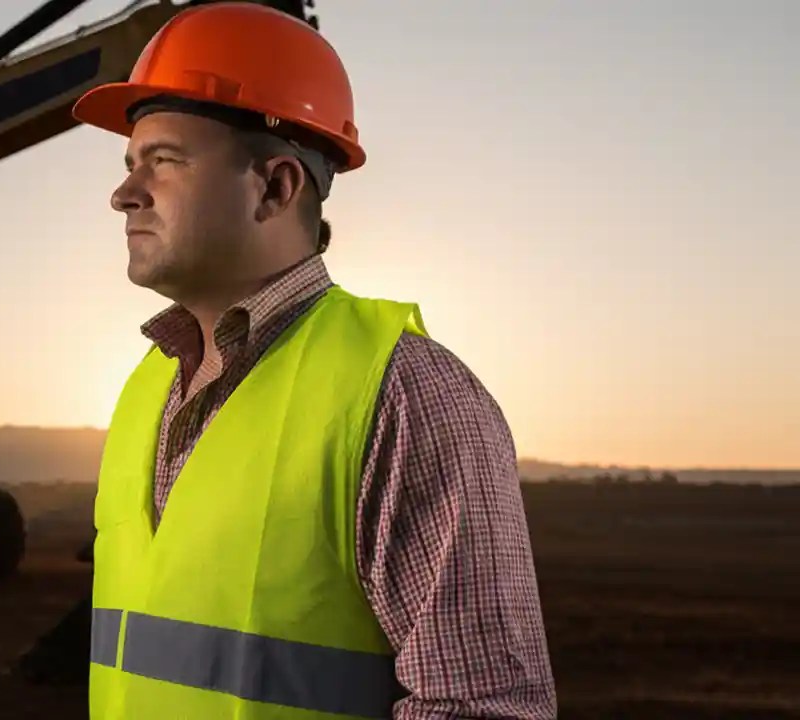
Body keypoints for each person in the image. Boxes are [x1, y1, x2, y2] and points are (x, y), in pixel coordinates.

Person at [70, 3, 556, 718]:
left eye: (164, 162)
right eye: (129, 164)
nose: (123, 194)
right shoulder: (147, 389)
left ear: (275, 187)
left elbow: (482, 706)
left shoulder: (405, 392)